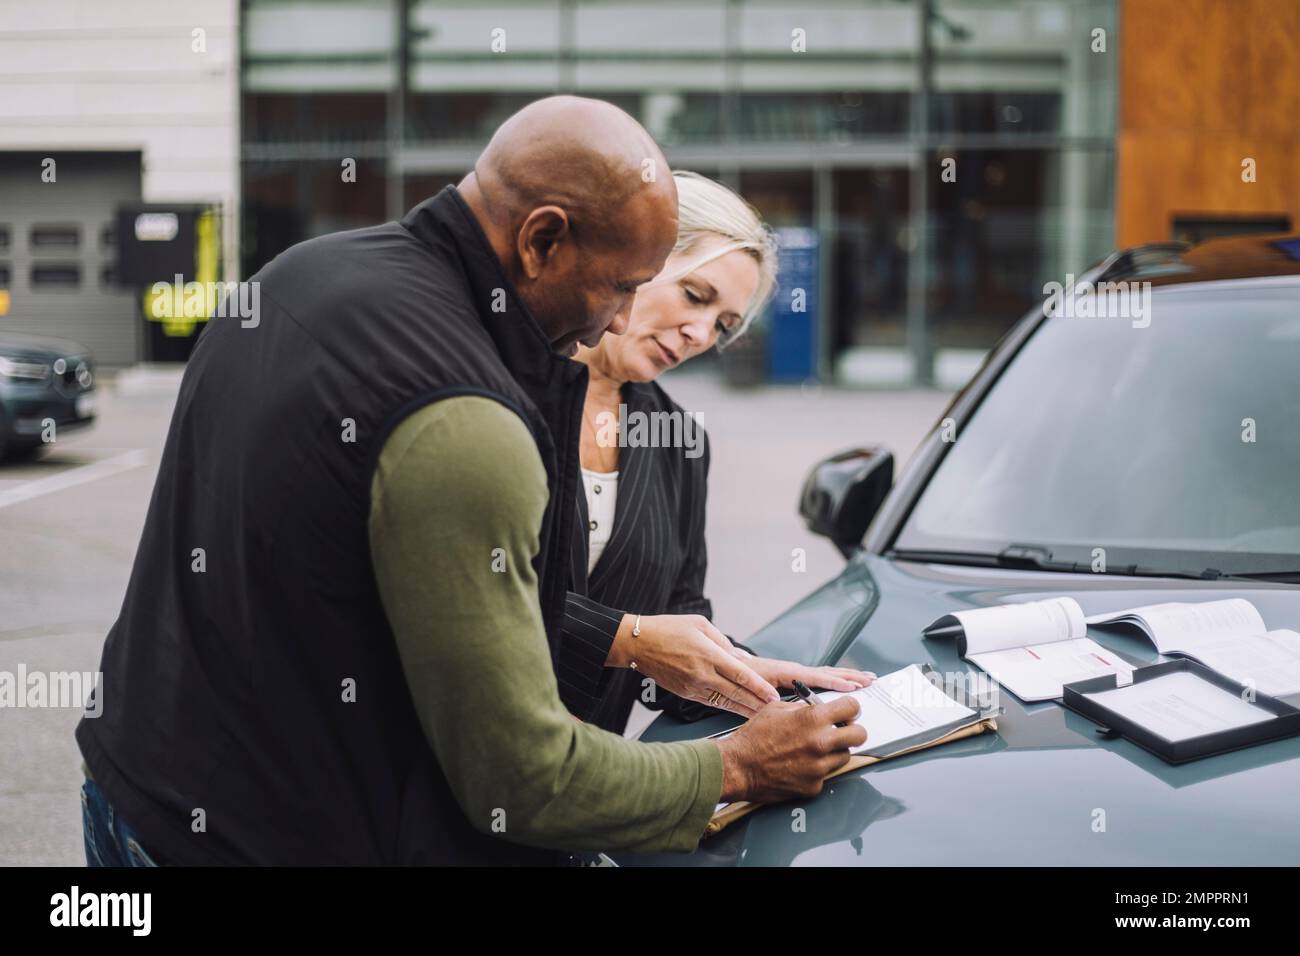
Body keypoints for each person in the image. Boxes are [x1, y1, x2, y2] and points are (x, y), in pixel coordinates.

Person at [75, 96, 864, 866]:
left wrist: (734, 679)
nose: (629, 319)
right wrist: (738, 767)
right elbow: (522, 775)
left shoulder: (297, 276)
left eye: (724, 326)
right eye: (634, 286)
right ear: (542, 239)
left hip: (136, 792)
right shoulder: (472, 415)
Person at [558, 171, 874, 735]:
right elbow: (467, 603)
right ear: (638, 261)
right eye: (695, 296)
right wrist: (631, 642)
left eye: (723, 324)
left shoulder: (679, 440)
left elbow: (678, 625)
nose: (701, 334)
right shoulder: (496, 395)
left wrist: (757, 682)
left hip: (582, 793)